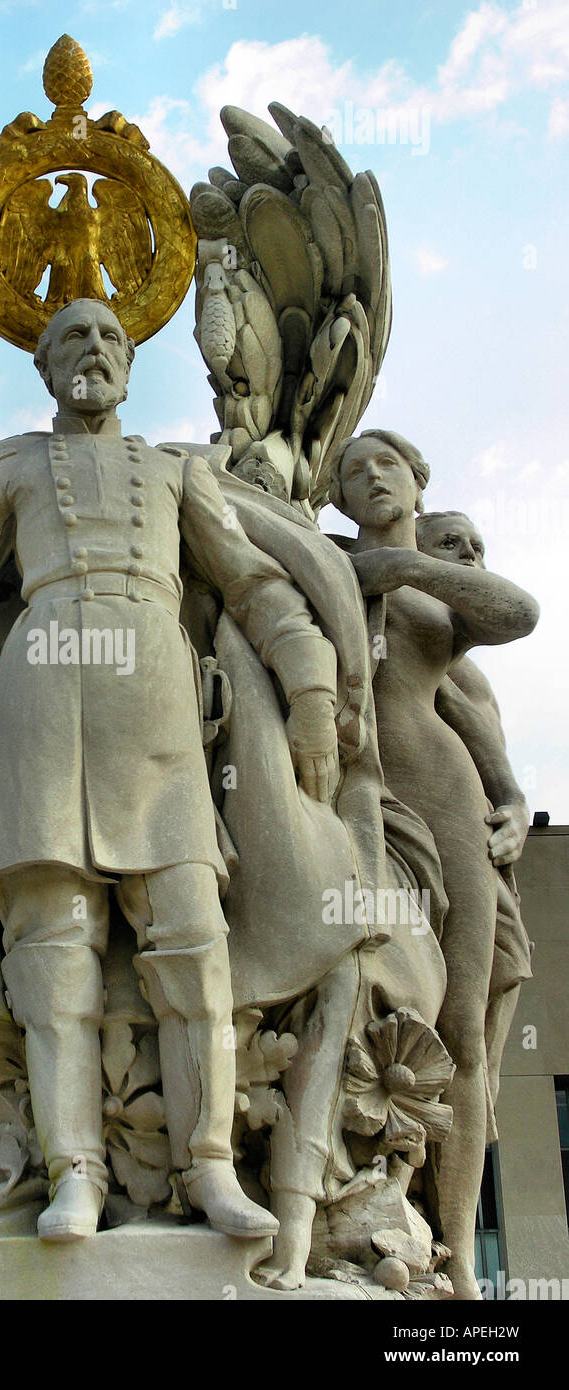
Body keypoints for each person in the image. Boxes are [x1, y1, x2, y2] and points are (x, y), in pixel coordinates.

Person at [0, 298, 342, 1242]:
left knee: (191, 938)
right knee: (51, 951)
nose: (91, 352)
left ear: (132, 367)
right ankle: (75, 1173)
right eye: (69, 341)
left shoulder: (176, 471)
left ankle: (210, 1165)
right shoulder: (12, 470)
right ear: (44, 370)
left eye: (109, 339)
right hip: (39, 702)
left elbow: (253, 581)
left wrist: (310, 694)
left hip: (157, 703)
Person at [330, 431, 538, 1298]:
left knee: (457, 1028)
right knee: (350, 986)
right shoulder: (321, 556)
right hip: (342, 795)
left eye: (387, 464)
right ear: (332, 497)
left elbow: (517, 614)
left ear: (417, 483)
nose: (369, 476)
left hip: (439, 797)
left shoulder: (432, 604)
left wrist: (403, 568)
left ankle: (455, 1263)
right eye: (349, 470)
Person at [415, 510, 533, 1111]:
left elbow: (500, 778)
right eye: (450, 543)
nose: (468, 557)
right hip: (382, 821)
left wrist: (515, 809)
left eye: (477, 549)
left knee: (461, 1028)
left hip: (460, 837)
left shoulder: (470, 675)